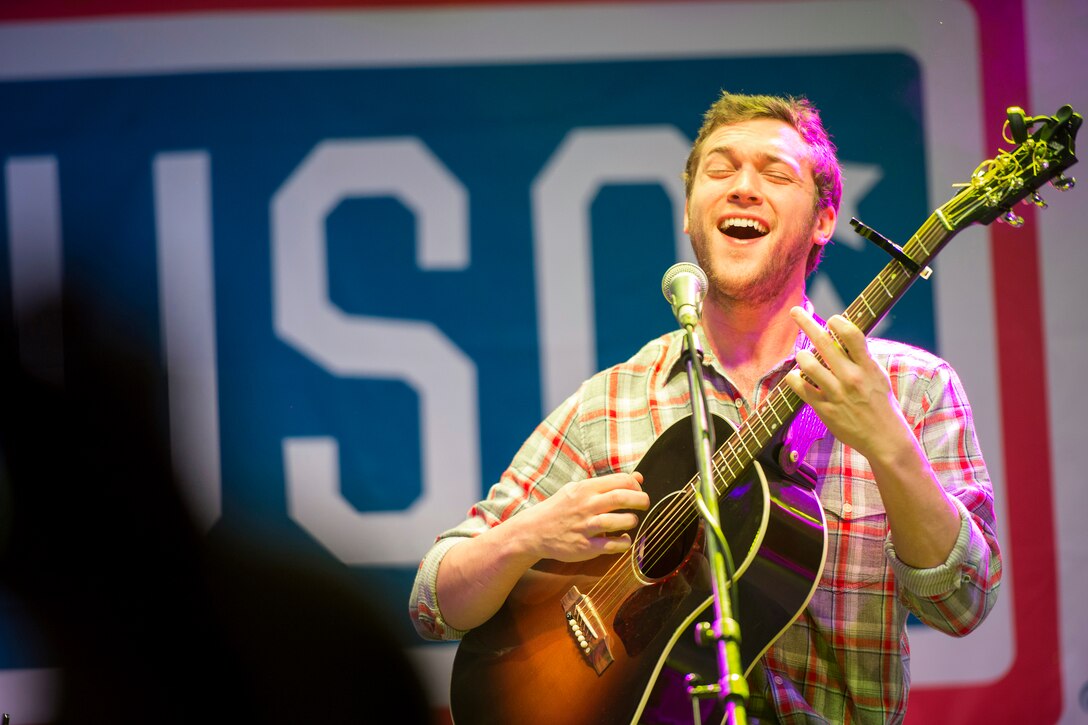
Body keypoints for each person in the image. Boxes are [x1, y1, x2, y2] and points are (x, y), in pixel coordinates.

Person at [409, 90, 1002, 723]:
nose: (743, 188)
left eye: (775, 173)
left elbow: (960, 607)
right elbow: (433, 602)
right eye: (720, 170)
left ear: (824, 219)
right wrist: (528, 536)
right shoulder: (613, 399)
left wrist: (888, 444)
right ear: (690, 214)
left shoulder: (910, 388)